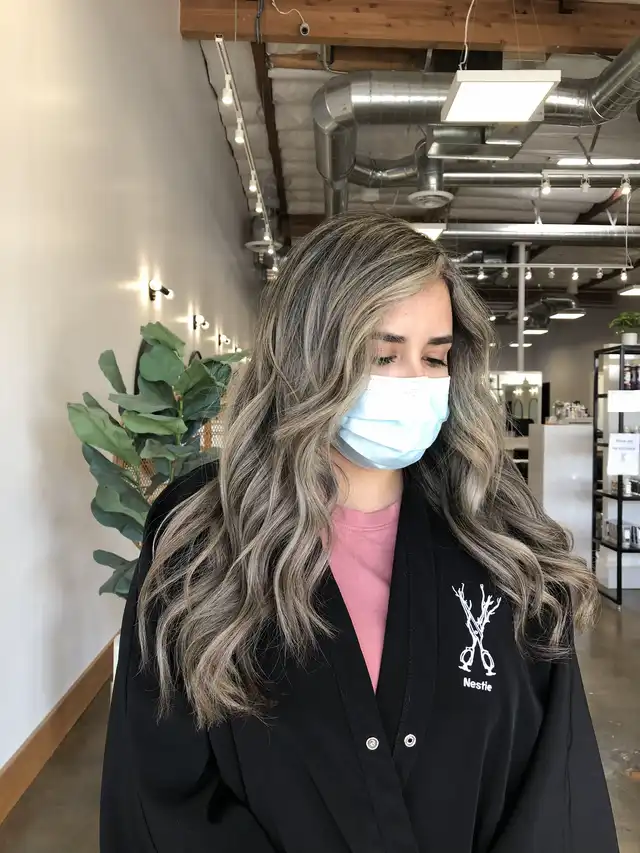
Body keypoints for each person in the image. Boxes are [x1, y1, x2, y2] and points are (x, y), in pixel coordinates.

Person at [101, 213, 618, 853]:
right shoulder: (201, 538)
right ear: (307, 356)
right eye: (382, 355)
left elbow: (554, 789)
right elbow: (161, 793)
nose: (416, 382)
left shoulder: (499, 539)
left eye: (435, 357)